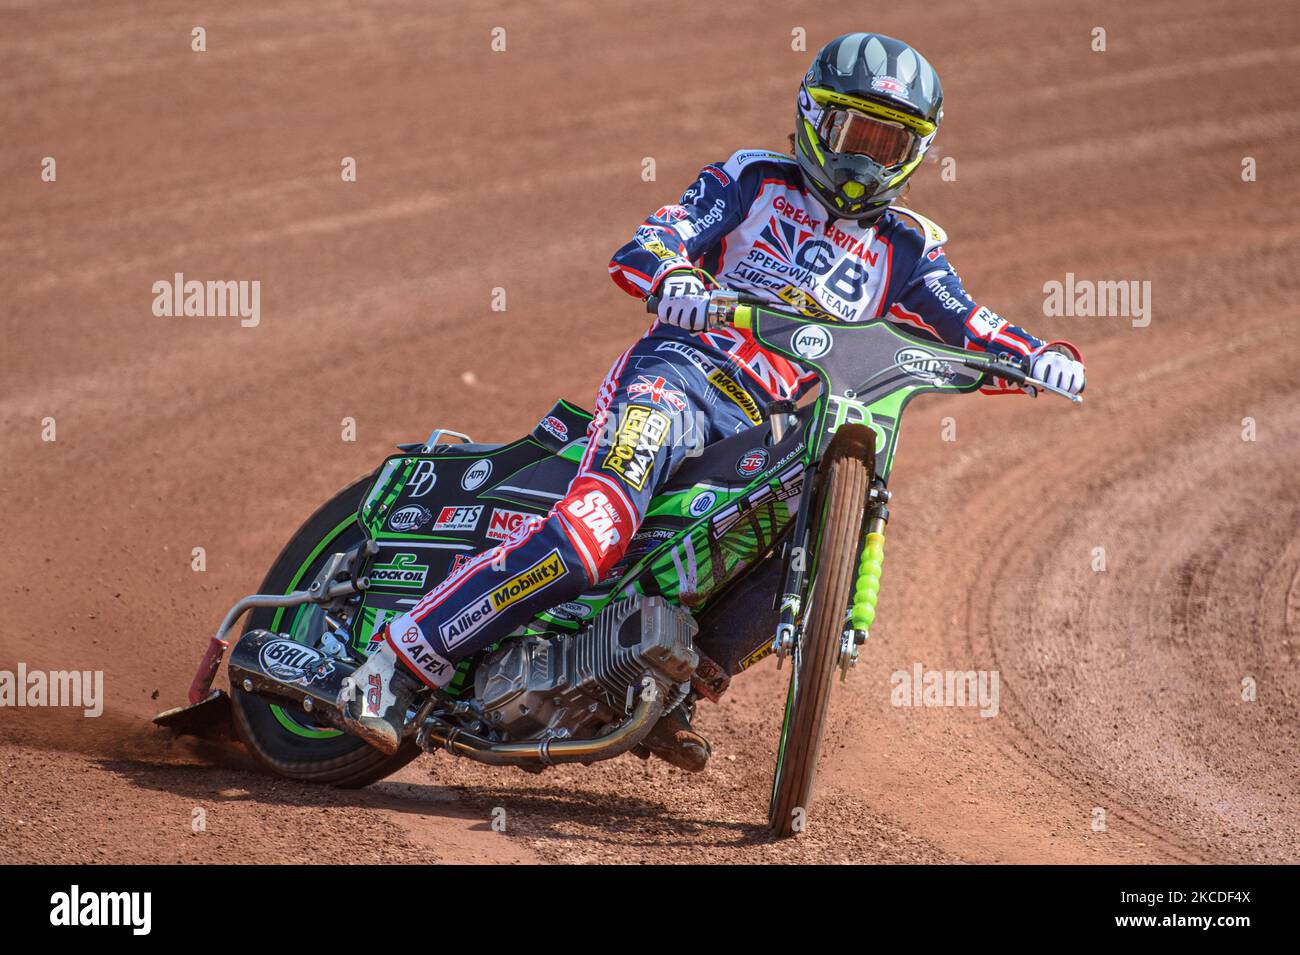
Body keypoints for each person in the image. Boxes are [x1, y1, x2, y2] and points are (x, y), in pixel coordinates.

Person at [341, 32, 1086, 768]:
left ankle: (676, 686)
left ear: (917, 153)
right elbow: (655, 237)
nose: (863, 159)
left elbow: (973, 325)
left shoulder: (910, 247)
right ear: (814, 119)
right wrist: (676, 276)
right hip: (682, 377)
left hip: (771, 428)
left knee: (823, 527)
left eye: (887, 144)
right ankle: (398, 664)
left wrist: (1041, 359)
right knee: (593, 532)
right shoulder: (754, 180)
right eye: (851, 132)